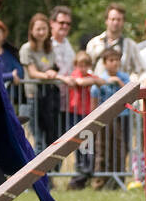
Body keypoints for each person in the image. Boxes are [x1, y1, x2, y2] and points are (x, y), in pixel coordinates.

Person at [19, 13, 61, 151]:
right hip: (33, 97)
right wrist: (49, 75)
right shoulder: (26, 49)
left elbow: (51, 68)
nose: (41, 32)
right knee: (38, 138)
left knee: (50, 135)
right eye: (38, 29)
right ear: (31, 30)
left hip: (48, 97)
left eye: (44, 29)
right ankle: (37, 171)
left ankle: (49, 170)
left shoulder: (50, 49)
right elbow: (32, 73)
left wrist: (53, 73)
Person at [90, 49, 130, 189]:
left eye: (117, 60)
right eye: (111, 60)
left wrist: (118, 81)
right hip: (104, 119)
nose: (115, 63)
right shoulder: (101, 79)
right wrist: (105, 82)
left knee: (120, 149)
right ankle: (100, 182)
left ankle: (118, 182)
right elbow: (94, 95)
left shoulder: (124, 77)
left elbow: (130, 93)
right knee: (103, 149)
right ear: (105, 63)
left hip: (121, 118)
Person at [65, 51, 104, 190]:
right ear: (75, 65)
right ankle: (80, 172)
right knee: (78, 145)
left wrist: (92, 80)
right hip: (74, 114)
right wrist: (91, 80)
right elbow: (79, 82)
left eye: (85, 65)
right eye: (80, 65)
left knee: (88, 145)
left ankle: (86, 172)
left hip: (87, 114)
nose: (82, 68)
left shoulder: (90, 76)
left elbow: (102, 81)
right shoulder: (75, 75)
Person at [85, 4, 144, 77]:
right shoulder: (94, 43)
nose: (115, 23)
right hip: (99, 86)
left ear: (123, 22)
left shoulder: (130, 45)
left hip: (123, 86)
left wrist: (139, 81)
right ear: (106, 21)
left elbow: (142, 71)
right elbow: (86, 69)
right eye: (112, 19)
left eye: (119, 20)